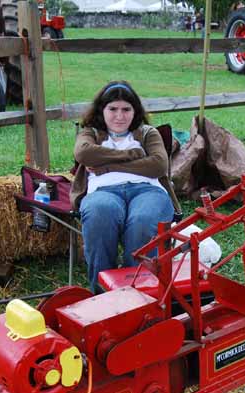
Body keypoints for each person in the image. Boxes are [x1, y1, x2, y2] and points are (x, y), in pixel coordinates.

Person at [71, 81, 176, 292]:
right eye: (113, 109)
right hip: (103, 191)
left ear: (135, 111)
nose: (119, 116)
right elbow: (83, 153)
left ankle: (140, 292)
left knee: (143, 220)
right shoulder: (91, 132)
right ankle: (102, 292)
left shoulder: (147, 133)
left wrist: (108, 166)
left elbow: (158, 165)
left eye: (126, 109)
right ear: (102, 110)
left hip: (147, 190)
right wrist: (131, 155)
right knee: (100, 213)